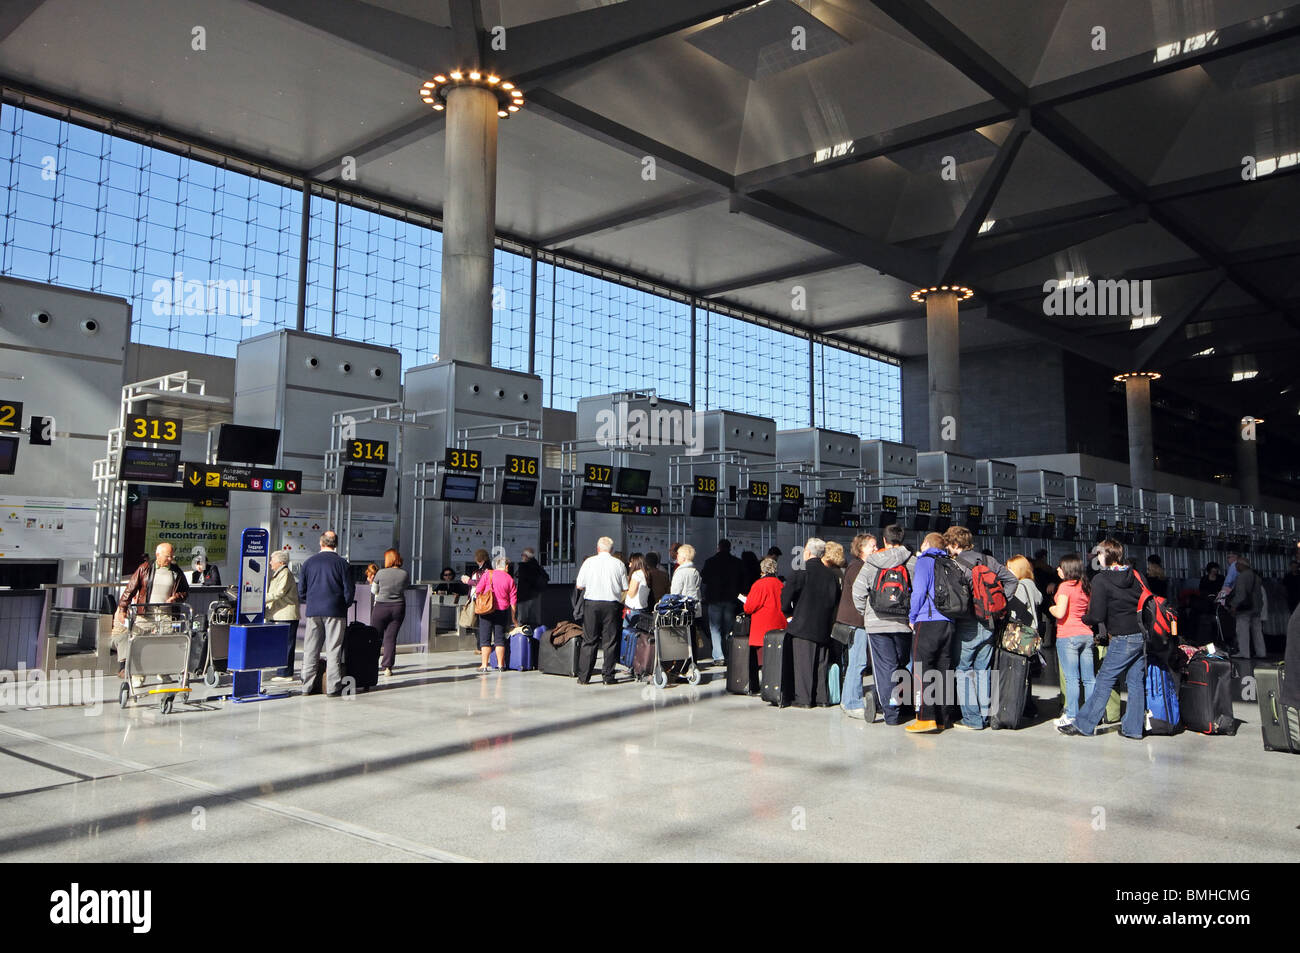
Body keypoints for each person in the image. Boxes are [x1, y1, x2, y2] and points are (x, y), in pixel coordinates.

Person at [1059, 538, 1146, 740]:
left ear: (1106, 555)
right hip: (1141, 634)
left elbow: (1097, 615)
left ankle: (1084, 724)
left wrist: (1084, 618)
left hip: (1122, 637)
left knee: (1104, 679)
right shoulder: (1135, 574)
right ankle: (1133, 729)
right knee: (1135, 682)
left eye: (1099, 554)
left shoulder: (1101, 579)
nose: (1097, 558)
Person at [945, 525, 1018, 731]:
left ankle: (972, 719)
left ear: (956, 544)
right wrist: (999, 603)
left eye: (949, 545)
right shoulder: (988, 560)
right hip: (990, 621)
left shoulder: (955, 565)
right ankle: (986, 716)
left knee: (963, 670)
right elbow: (1012, 580)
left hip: (967, 622)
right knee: (983, 669)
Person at [851, 524, 915, 725]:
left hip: (877, 624)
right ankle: (903, 705)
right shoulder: (912, 561)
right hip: (903, 623)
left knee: (884, 669)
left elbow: (858, 592)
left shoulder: (872, 563)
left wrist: (867, 613)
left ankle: (891, 713)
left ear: (885, 541)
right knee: (901, 665)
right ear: (902, 539)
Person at [113, 543, 189, 679]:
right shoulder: (145, 568)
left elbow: (184, 591)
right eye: (167, 556)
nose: (170, 559)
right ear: (158, 554)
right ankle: (138, 675)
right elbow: (130, 589)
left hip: (166, 613)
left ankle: (163, 671)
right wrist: (123, 608)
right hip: (146, 612)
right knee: (139, 641)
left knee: (166, 642)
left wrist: (176, 597)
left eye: (172, 556)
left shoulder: (176, 571)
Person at [781, 537, 841, 709]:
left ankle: (804, 698)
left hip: (802, 624)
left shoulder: (800, 571)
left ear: (807, 552)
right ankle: (822, 698)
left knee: (803, 664)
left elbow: (785, 598)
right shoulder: (831, 575)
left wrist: (789, 614)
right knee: (821, 663)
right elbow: (835, 598)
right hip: (823, 625)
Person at [906, 532, 955, 734]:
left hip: (928, 620)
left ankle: (925, 717)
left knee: (922, 668)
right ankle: (943, 718)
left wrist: (912, 616)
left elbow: (918, 591)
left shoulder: (925, 560)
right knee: (944, 669)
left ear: (926, 543)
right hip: (949, 622)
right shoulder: (950, 562)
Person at [298, 531, 355, 697]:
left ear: (321, 543)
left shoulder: (309, 563)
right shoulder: (342, 564)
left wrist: (310, 601)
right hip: (336, 611)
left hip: (313, 611)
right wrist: (344, 604)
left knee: (310, 649)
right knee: (334, 649)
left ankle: (306, 686)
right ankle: (332, 687)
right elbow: (349, 590)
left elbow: (301, 590)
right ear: (335, 544)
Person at [574, 537, 628, 685]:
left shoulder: (589, 562)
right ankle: (608, 677)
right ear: (611, 549)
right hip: (612, 605)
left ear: (598, 548)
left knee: (589, 640)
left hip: (592, 604)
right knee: (610, 642)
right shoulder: (619, 564)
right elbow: (625, 587)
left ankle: (584, 677)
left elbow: (579, 585)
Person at [836, 533, 877, 719]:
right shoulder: (859, 568)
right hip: (856, 621)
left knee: (856, 662)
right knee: (858, 662)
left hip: (853, 620)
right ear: (861, 549)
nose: (875, 549)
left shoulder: (855, 566)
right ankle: (852, 702)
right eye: (872, 546)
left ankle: (848, 699)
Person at [1049, 552, 1093, 728]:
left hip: (1068, 635)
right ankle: (1090, 714)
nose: (1058, 569)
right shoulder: (1085, 586)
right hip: (1086, 634)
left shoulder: (1065, 587)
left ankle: (1072, 715)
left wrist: (1050, 607)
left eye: (1060, 566)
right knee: (1089, 679)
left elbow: (1060, 612)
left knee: (1072, 678)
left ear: (1066, 569)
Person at [701, 539, 745, 665]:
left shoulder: (710, 562)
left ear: (718, 547)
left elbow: (704, 580)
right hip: (730, 599)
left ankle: (719, 656)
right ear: (730, 548)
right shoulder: (737, 562)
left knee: (715, 629)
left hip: (714, 599)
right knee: (728, 628)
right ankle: (728, 653)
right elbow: (742, 580)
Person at [474, 554, 518, 672]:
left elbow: (478, 590)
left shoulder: (487, 574)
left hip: (486, 610)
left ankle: (484, 665)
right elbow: (513, 600)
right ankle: (500, 665)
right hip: (502, 611)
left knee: (485, 639)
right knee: (499, 639)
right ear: (506, 566)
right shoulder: (510, 579)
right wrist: (513, 617)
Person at [740, 557, 785, 668]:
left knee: (763, 663)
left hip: (763, 630)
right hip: (779, 627)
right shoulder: (780, 584)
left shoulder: (759, 585)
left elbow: (749, 608)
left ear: (762, 570)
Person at [371, 549, 409, 677]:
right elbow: (405, 587)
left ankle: (371, 664)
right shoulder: (404, 573)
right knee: (390, 638)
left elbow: (374, 590)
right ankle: (387, 667)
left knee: (375, 637)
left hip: (381, 607)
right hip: (398, 607)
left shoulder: (381, 573)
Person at [267, 550, 300, 681]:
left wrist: (260, 598)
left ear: (281, 562)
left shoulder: (285, 573)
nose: (270, 563)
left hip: (286, 615)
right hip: (279, 614)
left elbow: (279, 592)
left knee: (287, 645)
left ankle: (285, 674)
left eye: (272, 560)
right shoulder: (279, 573)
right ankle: (281, 671)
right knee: (281, 644)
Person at [1227, 556, 1266, 658]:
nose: (1235, 567)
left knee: (1242, 630)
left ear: (1241, 565)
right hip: (1257, 608)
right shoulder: (1256, 576)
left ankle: (1244, 653)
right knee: (1257, 631)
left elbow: (1241, 595)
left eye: (1236, 565)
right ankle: (1261, 652)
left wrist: (1233, 606)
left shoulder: (1242, 577)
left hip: (1245, 609)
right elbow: (1259, 595)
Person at [670, 544, 706, 654]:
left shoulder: (680, 572)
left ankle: (685, 662)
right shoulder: (695, 571)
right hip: (694, 608)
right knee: (693, 635)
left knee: (684, 637)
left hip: (682, 609)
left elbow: (675, 593)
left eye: (679, 555)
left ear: (684, 557)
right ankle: (693, 661)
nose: (677, 557)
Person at [514, 548, 549, 628]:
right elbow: (546, 577)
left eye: (522, 555)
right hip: (535, 596)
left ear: (526, 556)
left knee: (522, 620)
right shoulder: (537, 566)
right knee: (534, 620)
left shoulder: (523, 567)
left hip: (524, 597)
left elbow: (521, 580)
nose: (522, 557)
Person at [624, 552, 651, 625]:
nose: (629, 565)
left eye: (631, 562)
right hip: (643, 608)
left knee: (627, 631)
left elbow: (631, 594)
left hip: (633, 609)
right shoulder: (646, 573)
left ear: (636, 563)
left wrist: (625, 587)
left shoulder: (636, 574)